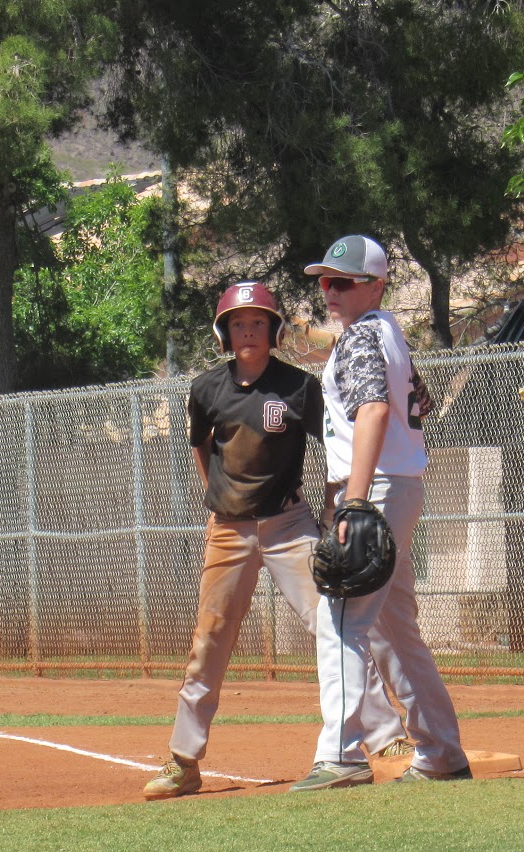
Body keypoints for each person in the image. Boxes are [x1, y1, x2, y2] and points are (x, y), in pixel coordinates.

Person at [144, 281, 412, 800]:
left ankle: (386, 740)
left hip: (289, 527)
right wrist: (218, 500)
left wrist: (337, 504)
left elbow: (336, 439)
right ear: (225, 333)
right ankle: (184, 760)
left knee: (335, 626)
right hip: (228, 529)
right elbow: (202, 449)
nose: (249, 330)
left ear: (274, 331)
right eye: (239, 323)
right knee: (210, 642)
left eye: (259, 322)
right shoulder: (206, 389)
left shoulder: (298, 386)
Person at [289, 235, 472, 790]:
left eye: (343, 281)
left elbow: (372, 409)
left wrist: (358, 497)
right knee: (394, 630)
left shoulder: (364, 335)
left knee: (340, 619)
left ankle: (341, 756)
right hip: (399, 482)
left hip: (378, 488)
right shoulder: (388, 332)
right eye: (325, 280)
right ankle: (440, 753)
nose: (331, 290)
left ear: (376, 284)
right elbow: (420, 402)